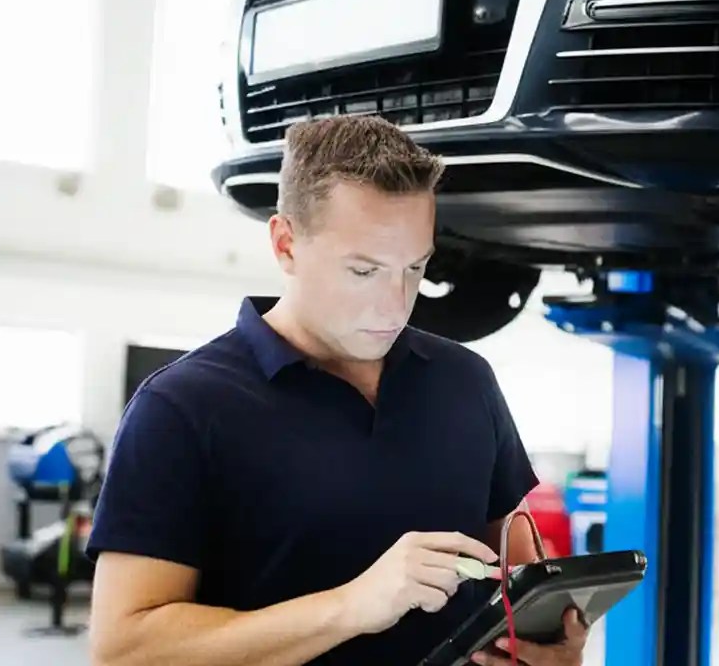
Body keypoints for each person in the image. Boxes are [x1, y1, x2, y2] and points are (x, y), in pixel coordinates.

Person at [85, 115, 588, 666]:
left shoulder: (466, 380)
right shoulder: (179, 410)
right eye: (363, 271)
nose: (395, 304)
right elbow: (124, 651)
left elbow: (522, 572)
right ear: (286, 245)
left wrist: (549, 643)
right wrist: (353, 605)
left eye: (414, 268)